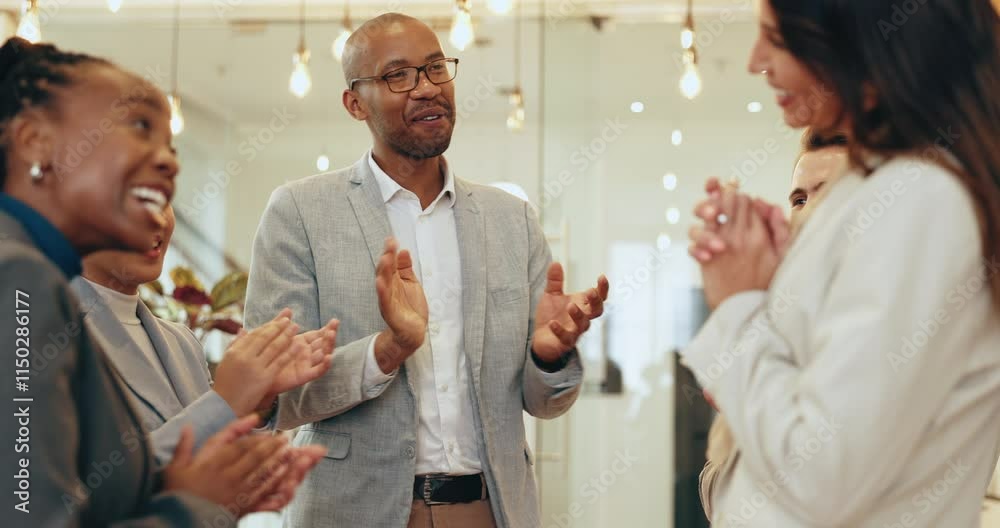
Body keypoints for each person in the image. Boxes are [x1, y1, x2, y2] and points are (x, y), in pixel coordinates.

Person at [244, 13, 609, 528]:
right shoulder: (300, 213)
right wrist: (384, 352)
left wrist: (548, 358)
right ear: (354, 103)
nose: (426, 88)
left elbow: (543, 404)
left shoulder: (510, 219)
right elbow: (270, 398)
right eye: (399, 76)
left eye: (437, 68)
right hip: (352, 511)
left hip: (491, 508)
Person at [683, 0, 1000, 526]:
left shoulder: (920, 199)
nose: (755, 61)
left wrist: (740, 305)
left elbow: (821, 474)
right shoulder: (885, 189)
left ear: (860, 42)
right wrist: (778, 287)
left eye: (777, 40)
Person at [0, 37, 324, 527]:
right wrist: (192, 505)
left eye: (167, 146)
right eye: (134, 130)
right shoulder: (19, 280)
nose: (167, 161)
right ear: (34, 144)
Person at [70, 203, 340, 463]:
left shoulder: (182, 342)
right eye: (135, 198)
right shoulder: (44, 337)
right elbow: (97, 485)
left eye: (163, 199)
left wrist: (258, 399)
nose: (159, 219)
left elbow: (217, 460)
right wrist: (226, 400)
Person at [694, 128, 850, 520]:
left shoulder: (874, 321)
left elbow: (812, 485)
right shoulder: (782, 318)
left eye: (827, 193)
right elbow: (719, 487)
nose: (807, 212)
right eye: (799, 198)